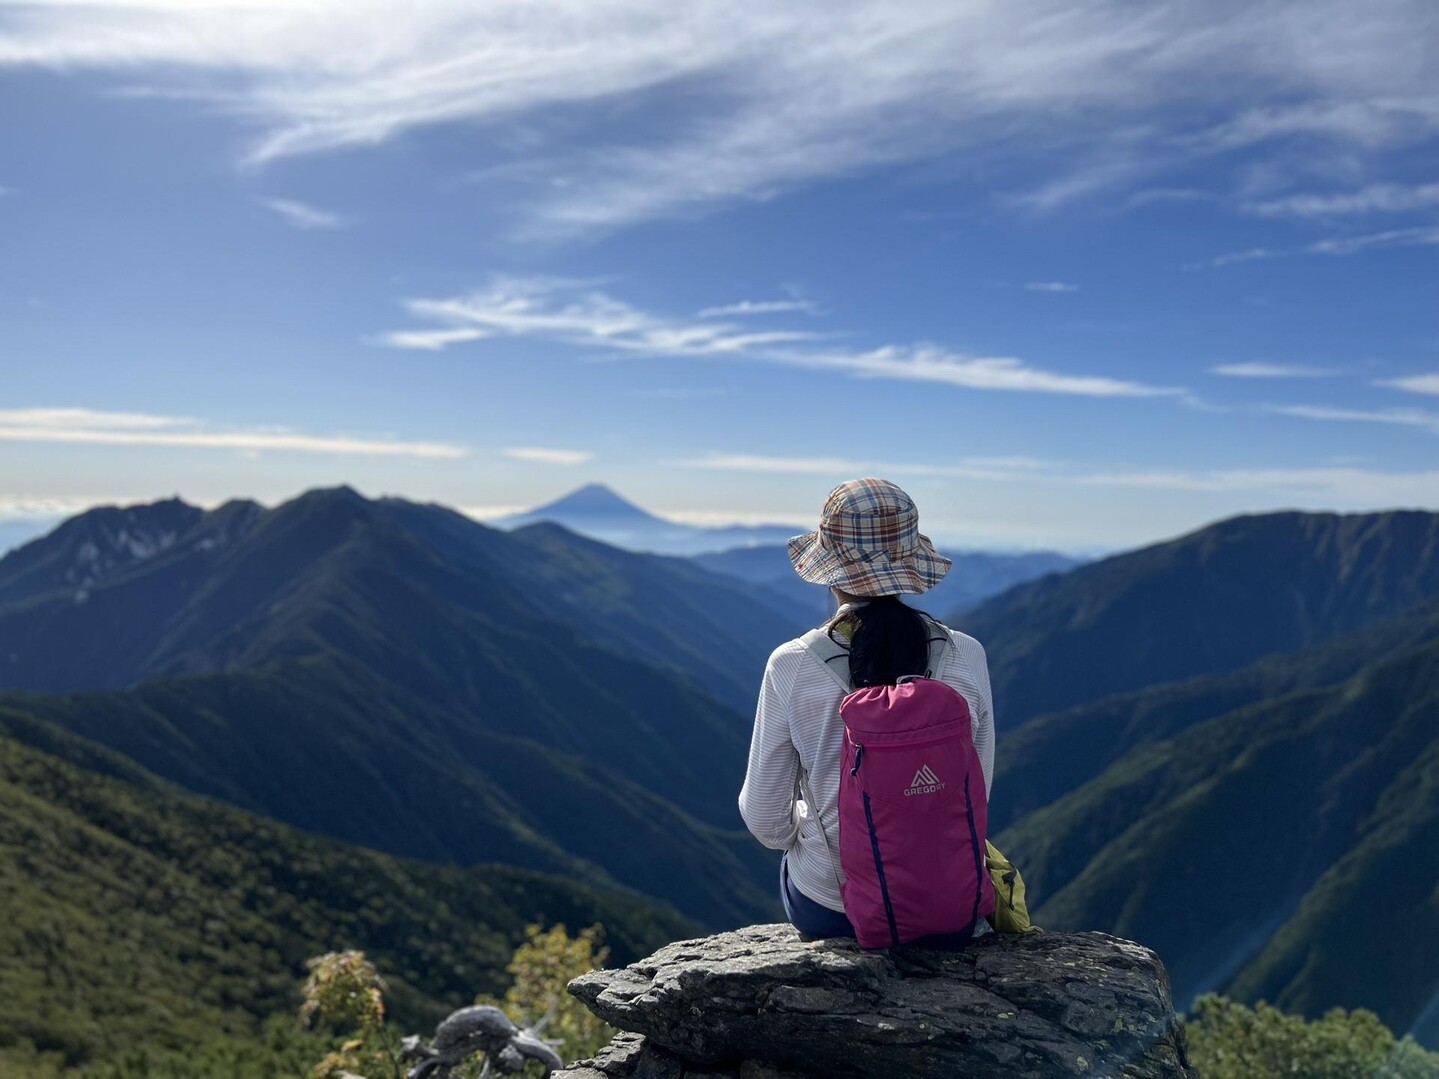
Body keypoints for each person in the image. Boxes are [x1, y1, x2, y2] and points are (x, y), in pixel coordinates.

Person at [738, 477, 996, 939]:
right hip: (949, 905)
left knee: (805, 858)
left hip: (833, 909)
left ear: (829, 567)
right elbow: (977, 787)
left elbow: (766, 822)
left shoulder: (792, 665)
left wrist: (813, 816)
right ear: (912, 561)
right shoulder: (966, 655)